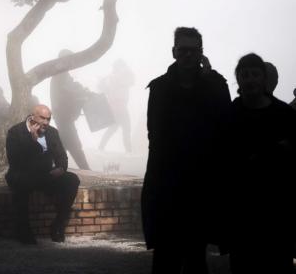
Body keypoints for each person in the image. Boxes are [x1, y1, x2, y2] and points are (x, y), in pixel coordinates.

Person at [141, 27, 231, 274]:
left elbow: (225, 124)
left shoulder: (215, 84)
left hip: (202, 181)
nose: (188, 56)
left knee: (195, 254)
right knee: (166, 254)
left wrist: (210, 79)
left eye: (193, 51)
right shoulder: (159, 88)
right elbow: (155, 134)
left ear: (201, 53)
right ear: (174, 52)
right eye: (183, 50)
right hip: (168, 180)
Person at [226, 54, 296, 274]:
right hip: (242, 214)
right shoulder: (229, 115)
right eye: (245, 75)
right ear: (239, 80)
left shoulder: (285, 114)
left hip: (278, 213)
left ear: (264, 78)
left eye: (254, 74)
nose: (250, 80)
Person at [5, 104, 80, 245]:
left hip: (45, 175)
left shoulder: (52, 132)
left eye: (48, 119)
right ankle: (24, 231)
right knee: (20, 186)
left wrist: (61, 169)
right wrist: (32, 140)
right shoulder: (15, 132)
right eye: (42, 118)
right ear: (32, 117)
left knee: (72, 180)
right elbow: (16, 161)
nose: (46, 122)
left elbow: (62, 157)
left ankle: (58, 224)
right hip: (23, 174)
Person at [49, 50, 91, 170]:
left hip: (63, 115)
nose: (73, 62)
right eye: (71, 59)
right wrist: (82, 93)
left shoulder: (62, 73)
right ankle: (86, 170)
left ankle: (50, 167)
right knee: (74, 145)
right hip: (63, 115)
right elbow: (69, 90)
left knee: (64, 144)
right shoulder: (60, 74)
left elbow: (72, 86)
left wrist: (82, 91)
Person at [97, 59, 135, 153]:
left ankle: (101, 147)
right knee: (126, 128)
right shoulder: (120, 76)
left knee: (113, 128)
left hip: (115, 106)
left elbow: (104, 89)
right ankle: (129, 151)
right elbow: (131, 81)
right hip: (120, 106)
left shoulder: (112, 77)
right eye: (123, 66)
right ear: (121, 67)